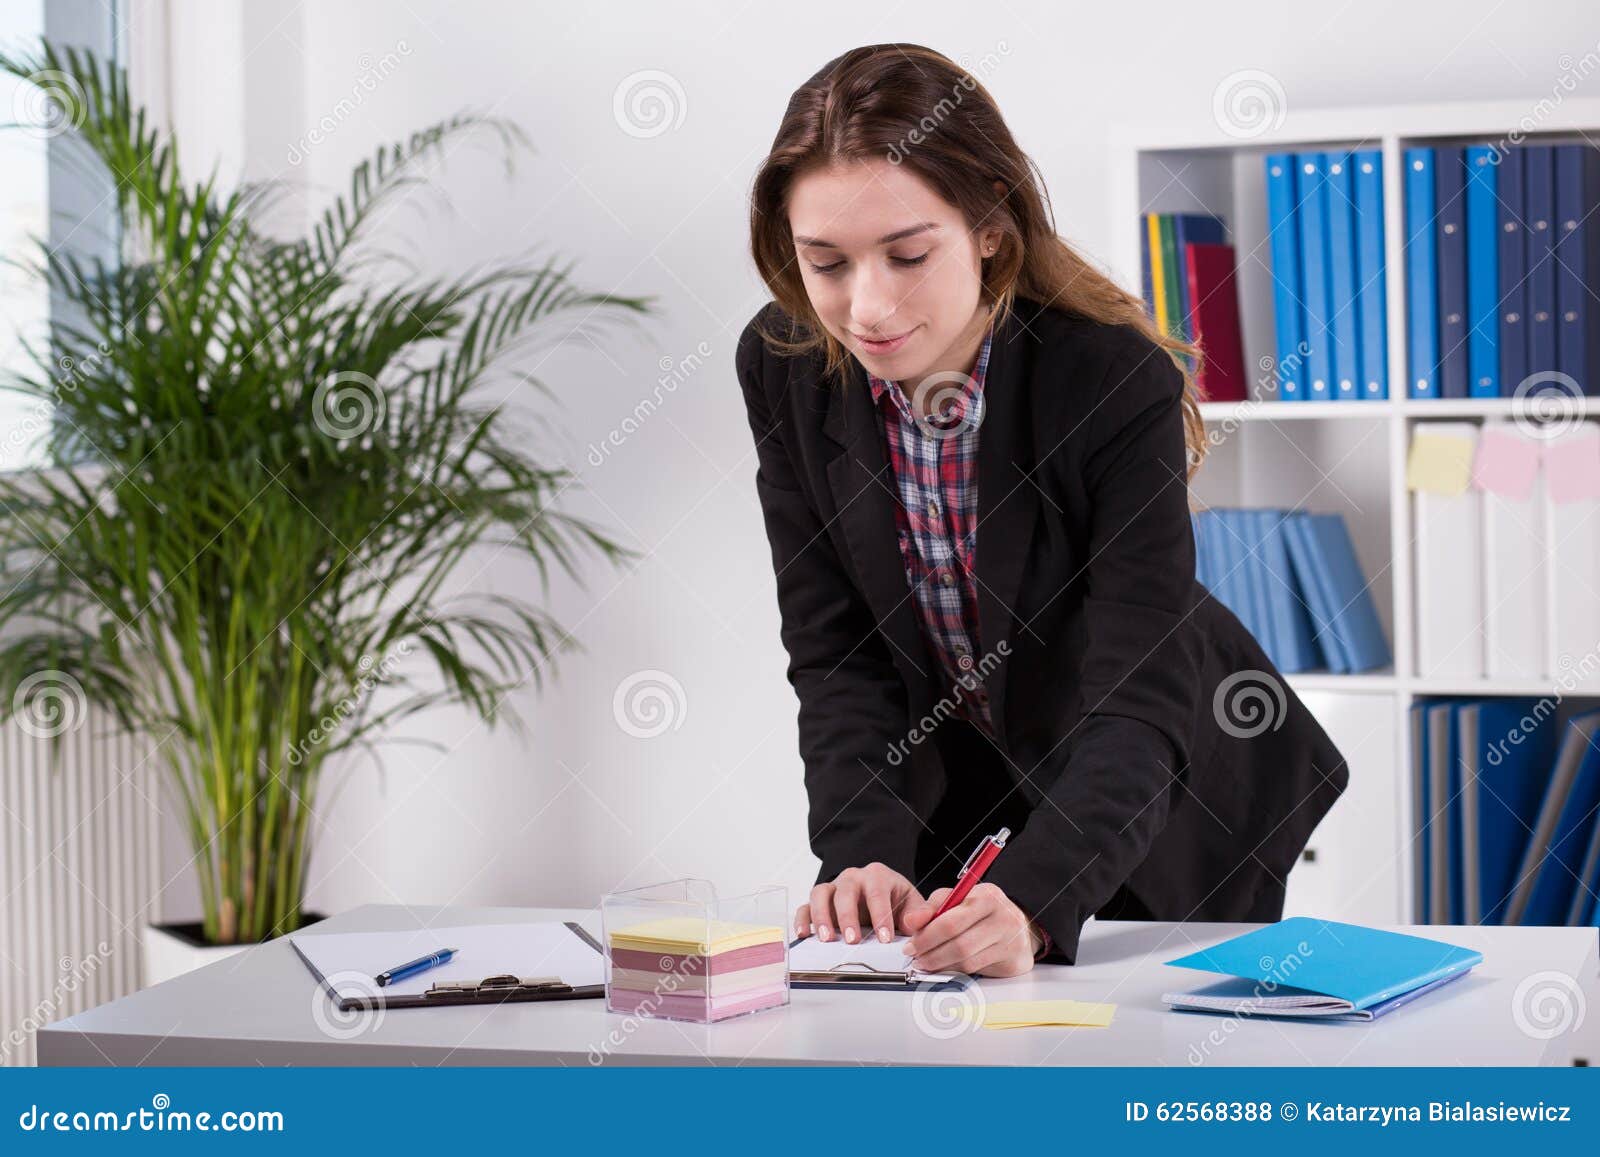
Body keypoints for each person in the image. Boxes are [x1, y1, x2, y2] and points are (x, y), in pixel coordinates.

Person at [736, 44, 1348, 976]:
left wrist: (1035, 897)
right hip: (964, 786)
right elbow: (837, 654)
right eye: (825, 263)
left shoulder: (1106, 375)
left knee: (1150, 1076)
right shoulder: (785, 365)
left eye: (907, 254)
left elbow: (1138, 693)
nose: (865, 307)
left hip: (1160, 783)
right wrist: (862, 849)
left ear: (989, 222)